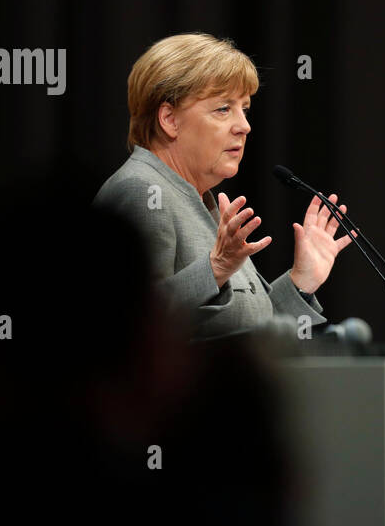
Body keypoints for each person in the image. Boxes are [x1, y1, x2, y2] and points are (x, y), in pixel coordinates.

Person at [94, 33, 355, 340]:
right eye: (223, 109)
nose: (244, 126)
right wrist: (215, 268)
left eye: (244, 109)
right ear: (169, 119)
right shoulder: (142, 191)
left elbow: (246, 337)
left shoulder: (199, 200)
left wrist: (301, 279)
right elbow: (123, 322)